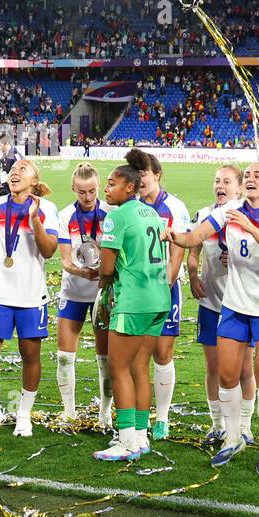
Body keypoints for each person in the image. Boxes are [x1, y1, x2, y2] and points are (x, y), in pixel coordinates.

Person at [166, 162, 259, 473]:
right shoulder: (229, 211)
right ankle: (233, 436)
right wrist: (172, 234)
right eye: (248, 175)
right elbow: (193, 237)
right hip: (235, 305)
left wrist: (251, 227)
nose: (251, 178)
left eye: (258, 175)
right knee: (226, 375)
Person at [0, 158, 59, 435]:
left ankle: (24, 415)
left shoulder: (47, 209)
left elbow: (49, 250)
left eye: (23, 169)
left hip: (31, 297)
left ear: (34, 180)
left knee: (30, 355)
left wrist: (34, 221)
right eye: (14, 169)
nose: (16, 172)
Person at [92, 162, 171, 461]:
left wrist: (100, 279)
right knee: (139, 367)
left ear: (129, 187)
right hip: (159, 298)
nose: (106, 188)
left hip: (133, 301)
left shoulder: (116, 216)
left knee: (119, 368)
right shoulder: (150, 212)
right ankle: (140, 436)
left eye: (111, 183)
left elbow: (108, 267)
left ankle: (125, 441)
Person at [128, 148, 190, 441]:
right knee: (135, 355)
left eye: (144, 174)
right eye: (136, 175)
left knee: (162, 353)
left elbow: (176, 256)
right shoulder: (131, 206)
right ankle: (135, 415)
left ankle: (162, 417)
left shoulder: (175, 208)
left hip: (164, 290)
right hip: (134, 291)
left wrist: (161, 288)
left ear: (157, 175)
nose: (140, 180)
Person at [189, 165, 254, 447]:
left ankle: (245, 426)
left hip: (242, 304)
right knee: (213, 366)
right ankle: (218, 425)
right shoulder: (204, 216)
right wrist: (192, 275)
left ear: (239, 188)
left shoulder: (251, 218)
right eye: (217, 180)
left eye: (227, 181)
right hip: (211, 302)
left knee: (243, 369)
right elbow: (193, 251)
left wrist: (244, 260)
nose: (220, 185)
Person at [55, 164, 111, 425]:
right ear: (73, 189)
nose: (87, 198)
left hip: (104, 292)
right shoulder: (66, 215)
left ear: (98, 188)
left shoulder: (111, 212)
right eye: (81, 192)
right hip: (74, 290)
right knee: (65, 356)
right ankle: (69, 411)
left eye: (91, 191)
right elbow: (65, 261)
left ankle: (105, 413)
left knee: (105, 357)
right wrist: (84, 273)